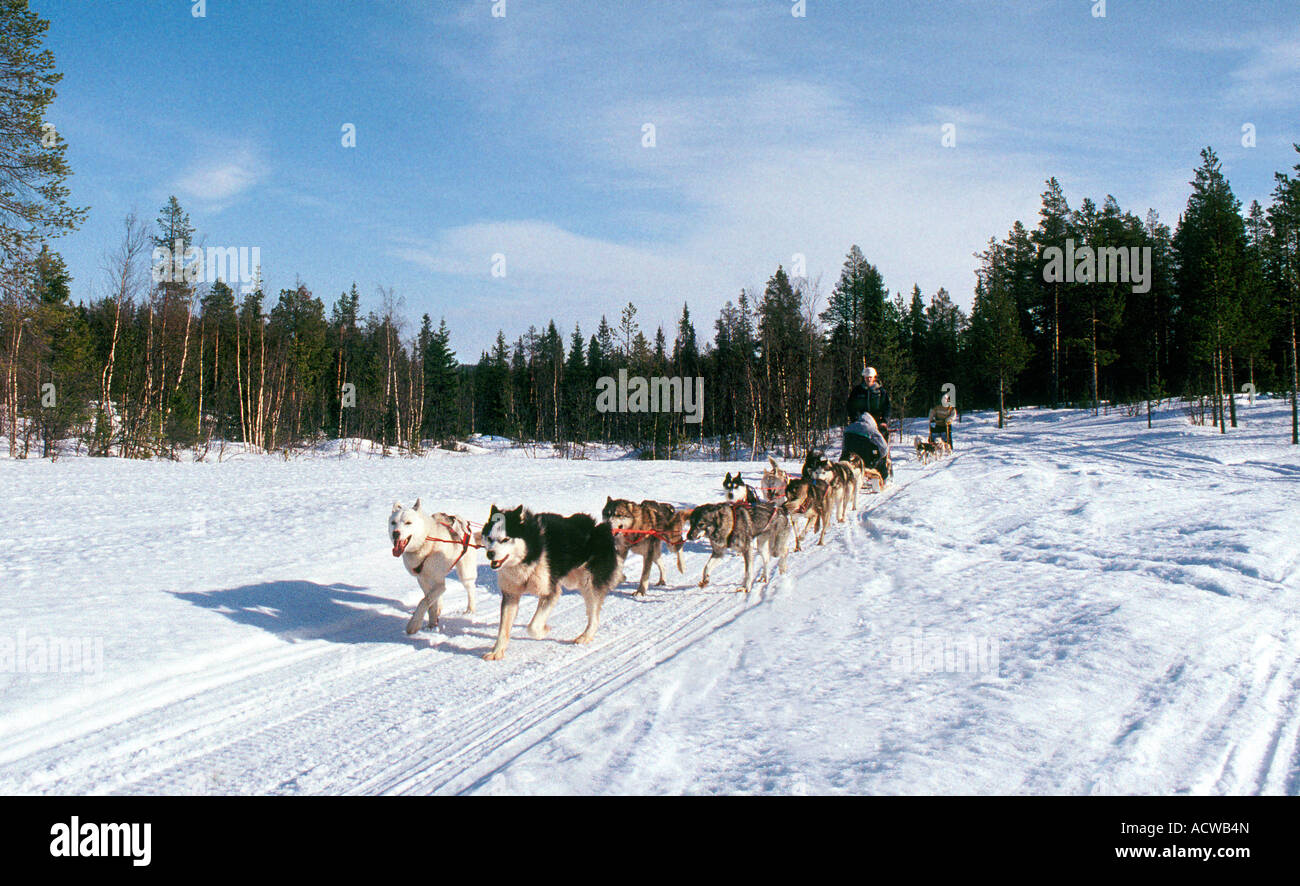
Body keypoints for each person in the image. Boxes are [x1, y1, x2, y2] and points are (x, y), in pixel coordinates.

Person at [841, 411, 891, 480]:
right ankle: (884, 478)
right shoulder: (871, 429)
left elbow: (844, 447)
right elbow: (884, 448)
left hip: (848, 459)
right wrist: (880, 457)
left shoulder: (848, 428)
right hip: (866, 462)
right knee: (881, 459)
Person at [845, 366, 891, 439]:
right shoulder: (857, 391)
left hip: (877, 422)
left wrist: (884, 421)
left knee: (882, 440)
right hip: (861, 422)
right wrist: (855, 419)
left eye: (870, 377)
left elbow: (887, 407)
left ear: (874, 377)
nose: (869, 379)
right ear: (864, 377)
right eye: (867, 377)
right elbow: (851, 406)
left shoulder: (880, 391)